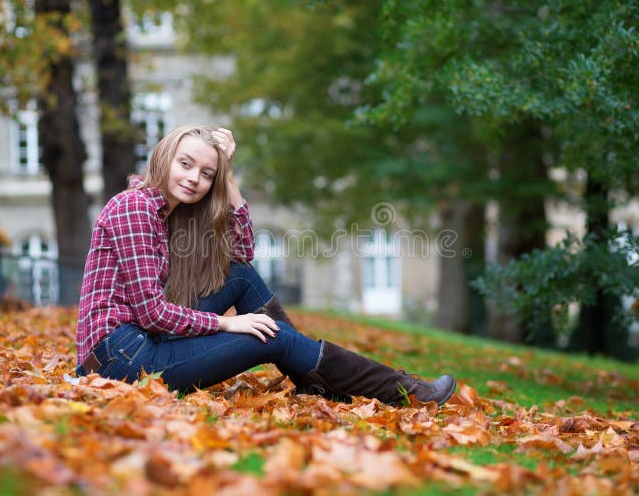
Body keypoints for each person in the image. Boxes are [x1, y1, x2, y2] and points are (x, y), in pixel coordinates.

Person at [75, 124, 456, 406]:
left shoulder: (167, 211)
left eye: (207, 174)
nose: (194, 179)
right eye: (186, 164)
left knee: (240, 277)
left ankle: (314, 377)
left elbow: (241, 254)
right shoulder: (135, 206)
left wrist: (229, 174)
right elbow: (151, 311)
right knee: (275, 337)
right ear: (164, 157)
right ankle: (408, 392)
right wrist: (228, 322)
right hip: (122, 360)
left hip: (137, 344)